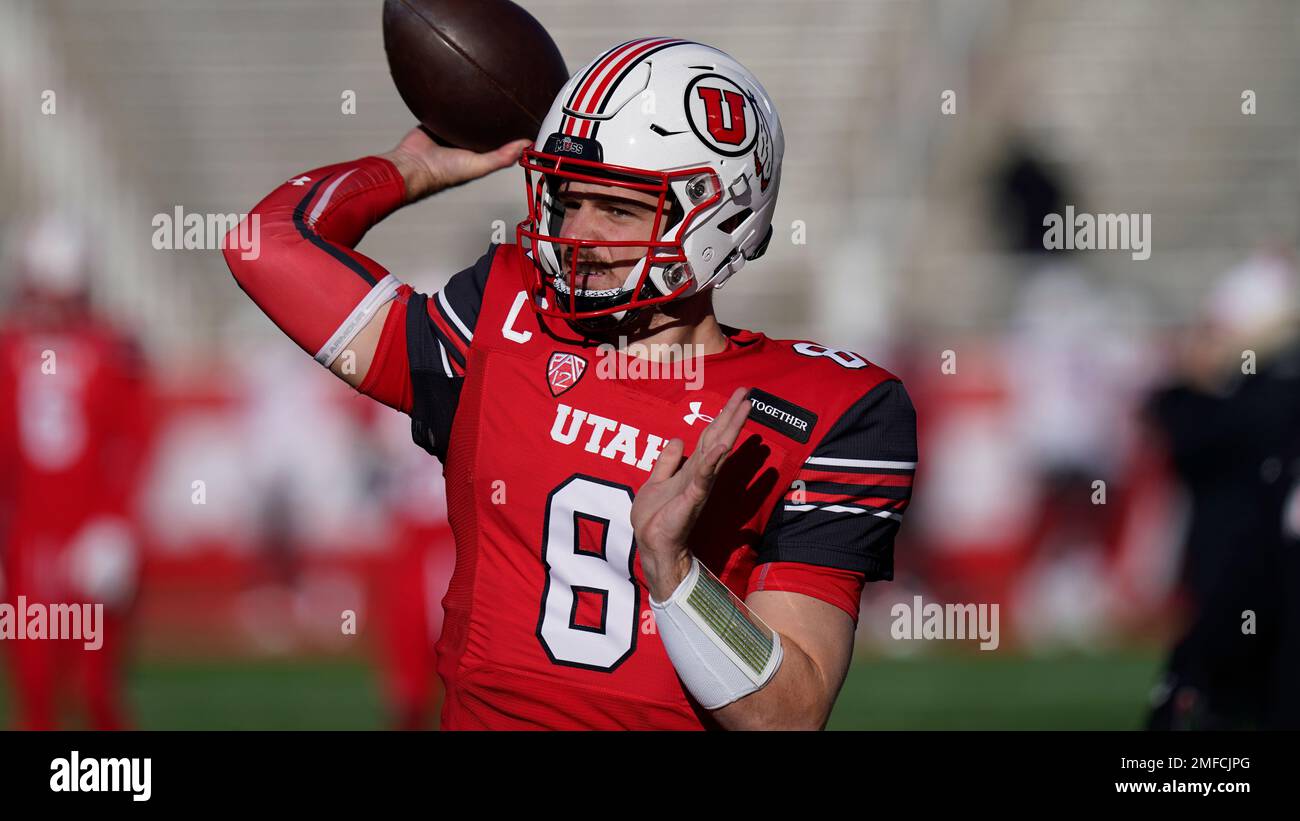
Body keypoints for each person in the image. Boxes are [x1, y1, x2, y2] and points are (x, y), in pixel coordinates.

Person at [225, 39, 917, 730]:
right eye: (567, 199)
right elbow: (263, 245)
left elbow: (787, 716)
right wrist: (408, 170)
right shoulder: (502, 315)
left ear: (717, 219)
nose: (575, 233)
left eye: (616, 210)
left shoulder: (827, 410)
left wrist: (675, 575)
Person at [0, 213, 150, 729]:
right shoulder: (9, 348)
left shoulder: (110, 348)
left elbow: (134, 441)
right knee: (35, 688)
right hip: (29, 538)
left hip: (91, 532)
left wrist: (116, 524)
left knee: (95, 689)